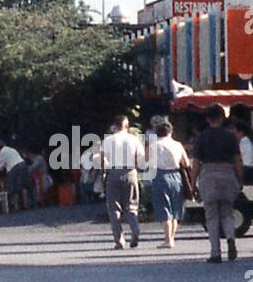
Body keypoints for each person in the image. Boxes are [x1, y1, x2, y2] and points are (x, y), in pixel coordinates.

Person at [193, 105, 242, 263]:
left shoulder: (202, 137)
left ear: (208, 119)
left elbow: (196, 163)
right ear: (222, 118)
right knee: (227, 212)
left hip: (208, 174)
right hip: (227, 173)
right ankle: (230, 237)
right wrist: (239, 179)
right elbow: (237, 160)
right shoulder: (231, 136)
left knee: (212, 216)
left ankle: (215, 252)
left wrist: (193, 183)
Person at [102, 116, 145, 249]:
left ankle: (119, 240)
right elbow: (142, 159)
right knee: (131, 204)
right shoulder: (134, 139)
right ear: (127, 126)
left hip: (113, 172)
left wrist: (105, 172)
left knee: (114, 207)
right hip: (131, 171)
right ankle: (135, 229)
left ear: (115, 125)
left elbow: (103, 160)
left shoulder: (108, 140)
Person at [151, 121, 190, 249]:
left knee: (164, 207)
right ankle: (171, 237)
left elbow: (145, 162)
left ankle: (167, 239)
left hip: (160, 175)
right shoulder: (177, 145)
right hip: (176, 176)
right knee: (176, 208)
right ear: (171, 132)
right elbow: (186, 162)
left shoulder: (153, 145)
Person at [0, 139, 34, 212]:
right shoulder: (11, 149)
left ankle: (16, 206)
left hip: (14, 168)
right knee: (24, 185)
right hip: (23, 165)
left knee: (13, 188)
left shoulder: (2, 152)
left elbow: (1, 168)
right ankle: (26, 204)